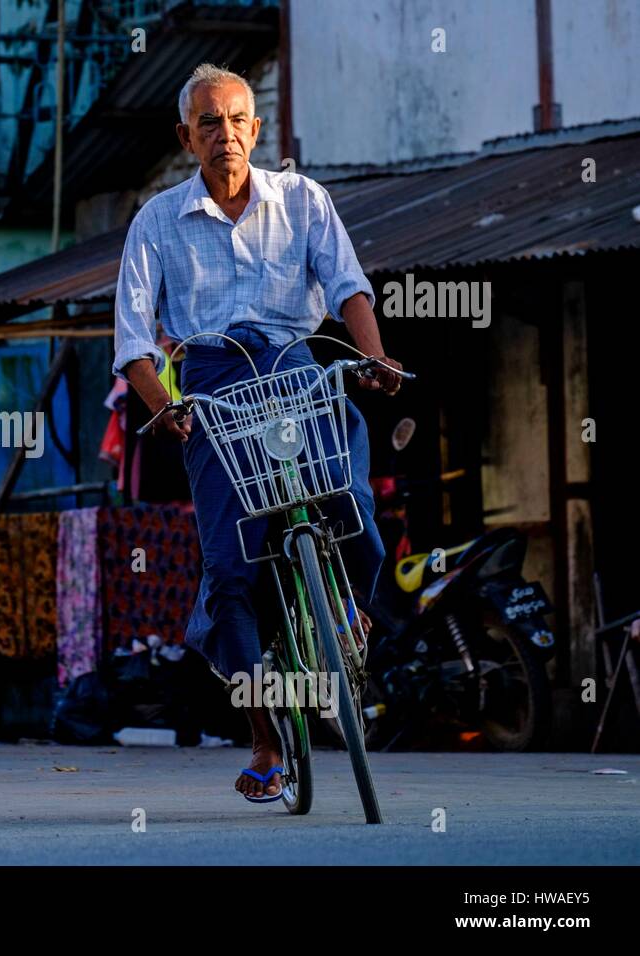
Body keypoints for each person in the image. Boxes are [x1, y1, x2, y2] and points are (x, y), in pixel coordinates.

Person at [112, 63, 405, 801]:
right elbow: (133, 344)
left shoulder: (303, 200)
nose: (225, 133)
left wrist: (371, 359)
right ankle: (266, 738)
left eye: (237, 119)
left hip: (298, 372)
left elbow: (347, 287)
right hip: (212, 388)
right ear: (186, 137)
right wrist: (164, 407)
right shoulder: (155, 221)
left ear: (257, 128)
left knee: (348, 496)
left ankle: (356, 615)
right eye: (208, 122)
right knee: (231, 570)